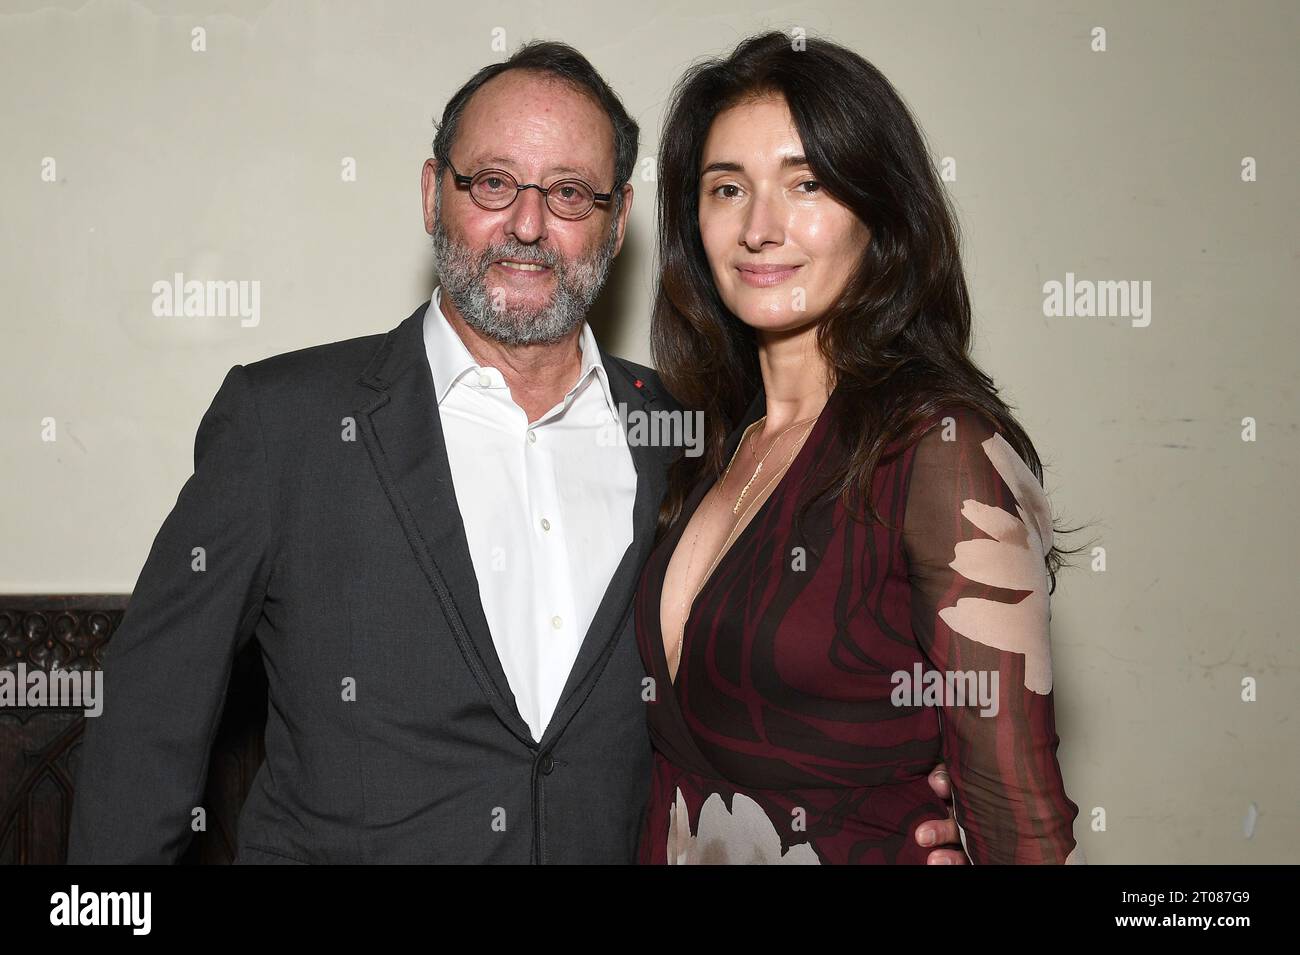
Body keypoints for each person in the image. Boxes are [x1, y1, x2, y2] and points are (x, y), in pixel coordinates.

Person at [68, 40, 964, 864]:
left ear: (617, 226)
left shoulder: (697, 437)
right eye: (493, 183)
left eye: (572, 192)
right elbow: (143, 731)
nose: (530, 225)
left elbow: (776, 689)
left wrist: (904, 813)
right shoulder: (284, 424)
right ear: (432, 194)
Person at [635, 32, 1085, 864]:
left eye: (806, 183)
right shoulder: (711, 446)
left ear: (880, 213)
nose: (760, 228)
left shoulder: (940, 450)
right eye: (726, 187)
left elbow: (1021, 824)